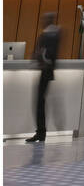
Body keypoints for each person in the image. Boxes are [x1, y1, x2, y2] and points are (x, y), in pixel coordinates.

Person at [26, 13, 60, 143]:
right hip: (46, 70)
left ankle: (41, 132)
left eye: (44, 19)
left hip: (46, 70)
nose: (42, 21)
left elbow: (47, 54)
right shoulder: (51, 33)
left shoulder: (50, 34)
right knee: (40, 101)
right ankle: (41, 132)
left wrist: (39, 58)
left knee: (40, 102)